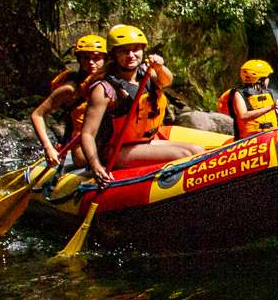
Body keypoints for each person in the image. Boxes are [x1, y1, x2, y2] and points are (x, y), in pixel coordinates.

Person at [78, 24, 196, 183]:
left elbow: (166, 81)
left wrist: (160, 67)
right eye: (124, 51)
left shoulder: (147, 73)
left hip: (143, 142)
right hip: (115, 151)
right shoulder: (104, 89)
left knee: (197, 150)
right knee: (185, 156)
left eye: (136, 49)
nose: (131, 55)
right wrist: (96, 166)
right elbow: (87, 134)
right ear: (113, 54)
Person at [28, 33, 108, 164]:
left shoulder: (111, 82)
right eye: (86, 58)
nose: (91, 63)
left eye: (97, 58)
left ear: (105, 59)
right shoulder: (70, 89)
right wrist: (48, 148)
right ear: (79, 60)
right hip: (82, 148)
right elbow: (37, 115)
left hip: (105, 139)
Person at [218, 60, 278, 137]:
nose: (268, 80)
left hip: (270, 136)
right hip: (249, 140)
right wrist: (270, 107)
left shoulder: (267, 94)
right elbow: (243, 116)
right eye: (267, 77)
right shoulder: (239, 94)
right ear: (259, 79)